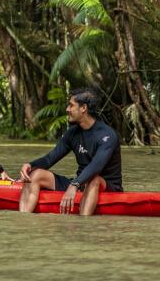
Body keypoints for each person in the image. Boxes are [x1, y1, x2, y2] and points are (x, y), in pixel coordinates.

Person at [18, 86, 122, 216]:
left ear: (83, 108)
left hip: (106, 186)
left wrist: (74, 185)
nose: (67, 109)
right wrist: (30, 165)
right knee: (36, 175)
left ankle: (83, 226)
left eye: (71, 105)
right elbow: (50, 159)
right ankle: (23, 219)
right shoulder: (72, 133)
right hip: (79, 182)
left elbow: (96, 166)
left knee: (93, 179)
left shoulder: (107, 135)